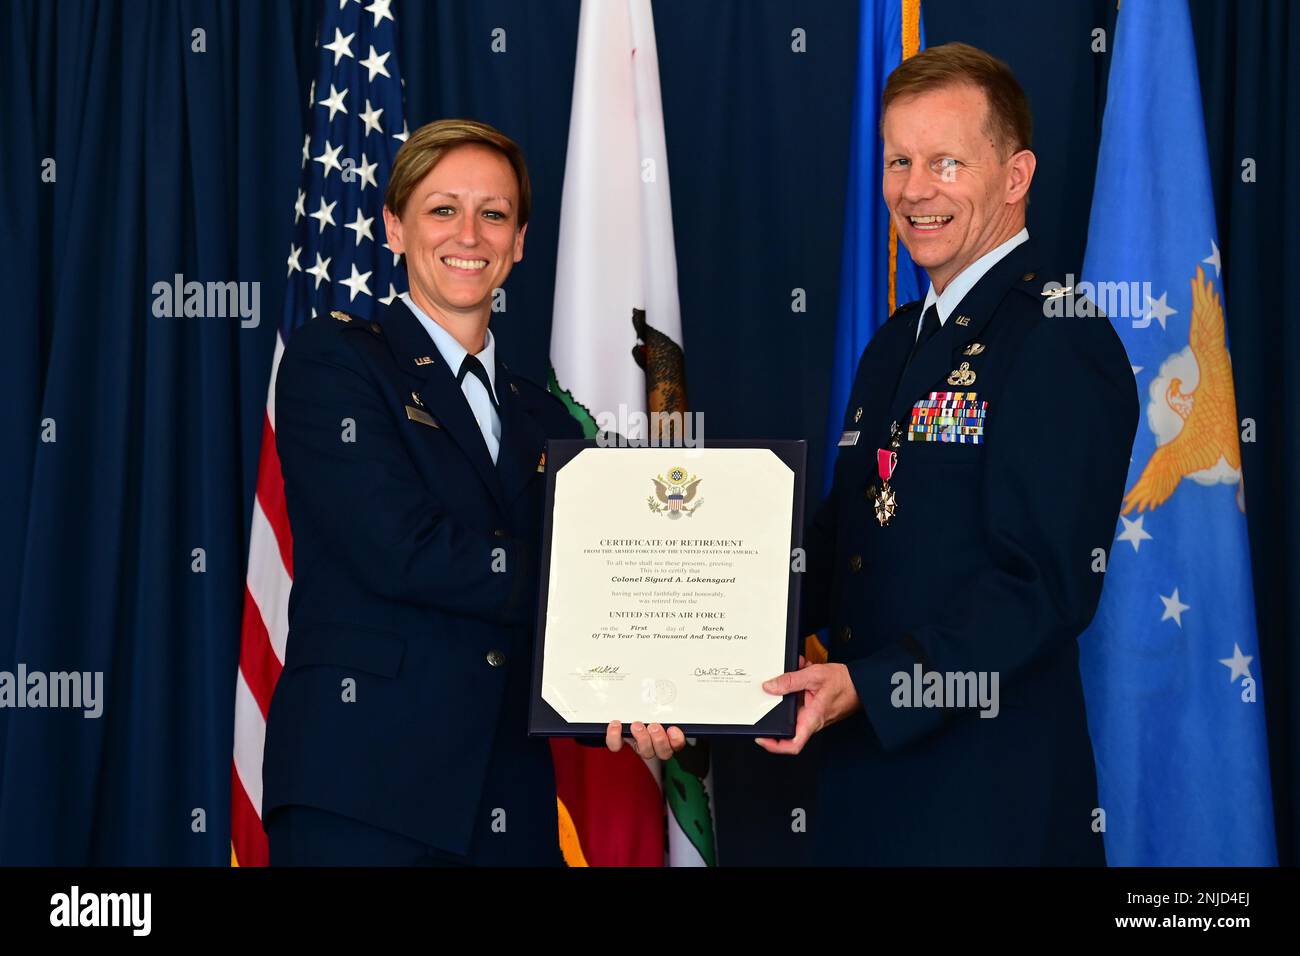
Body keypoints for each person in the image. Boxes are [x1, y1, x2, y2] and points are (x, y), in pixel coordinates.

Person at [755, 43, 1139, 865]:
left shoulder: (1058, 335)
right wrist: (701, 643)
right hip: (866, 788)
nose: (914, 189)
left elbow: (1041, 587)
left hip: (987, 803)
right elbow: (842, 544)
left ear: (1015, 174)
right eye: (899, 160)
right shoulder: (896, 342)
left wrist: (874, 684)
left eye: (945, 161)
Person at [262, 119, 582, 865]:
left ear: (521, 241)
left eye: (493, 214)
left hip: (510, 800)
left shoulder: (544, 416)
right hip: (363, 792)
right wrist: (596, 588)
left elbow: (566, 627)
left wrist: (639, 696)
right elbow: (400, 550)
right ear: (395, 228)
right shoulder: (333, 363)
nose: (468, 234)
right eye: (442, 209)